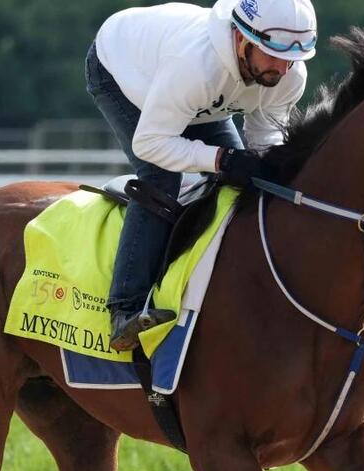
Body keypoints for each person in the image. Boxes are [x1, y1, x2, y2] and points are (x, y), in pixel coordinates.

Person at [86, 0, 318, 352]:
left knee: (247, 182)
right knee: (162, 179)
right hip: (123, 69)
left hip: (195, 94)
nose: (282, 68)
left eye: (291, 59)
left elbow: (264, 141)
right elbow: (150, 143)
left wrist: (257, 165)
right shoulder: (196, 67)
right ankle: (125, 309)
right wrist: (220, 158)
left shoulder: (289, 76)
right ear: (242, 39)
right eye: (272, 55)